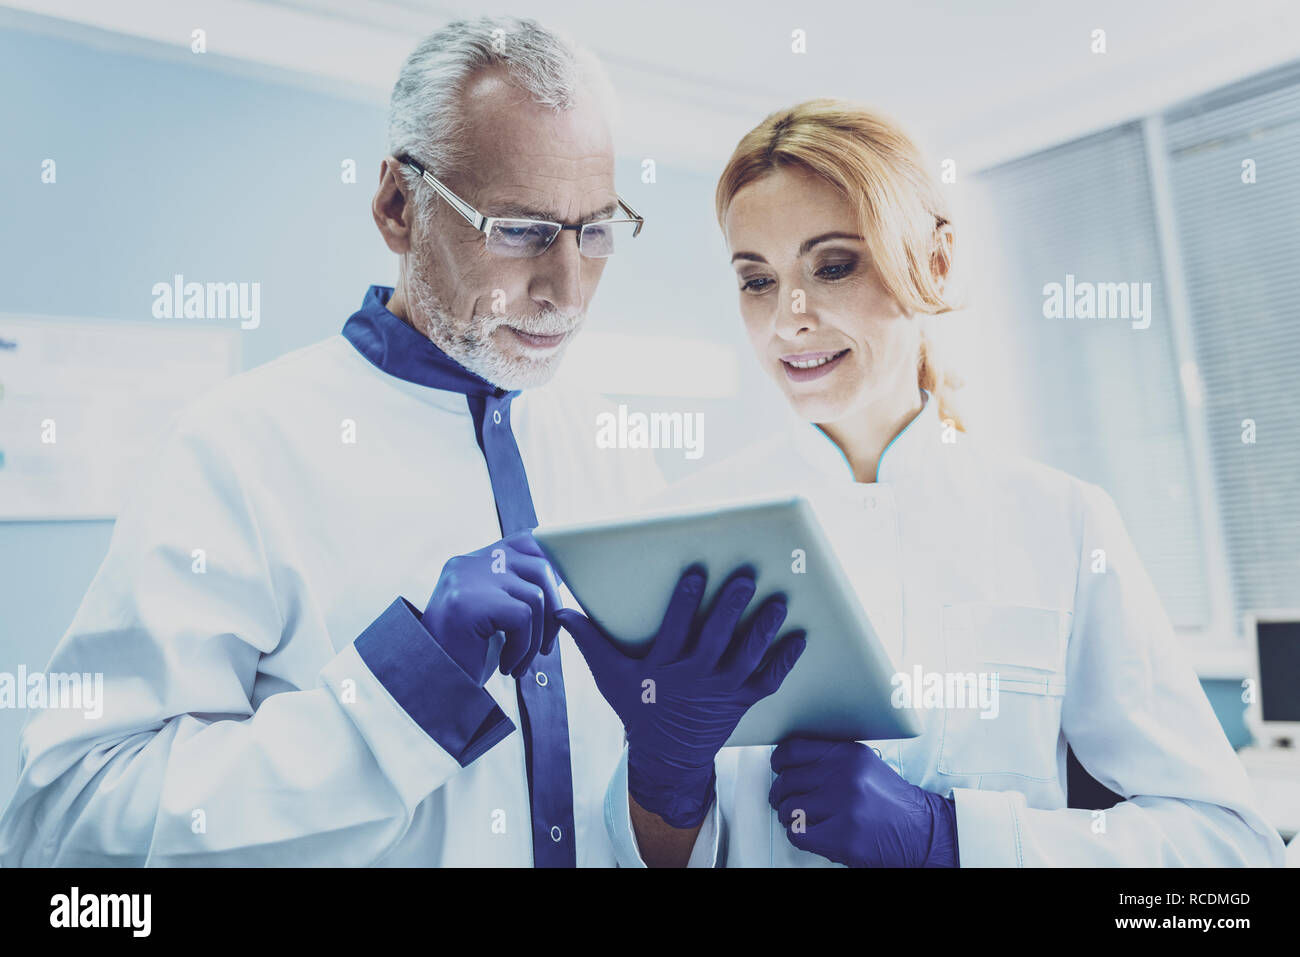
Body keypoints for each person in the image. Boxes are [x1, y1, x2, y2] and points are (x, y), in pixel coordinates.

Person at [0, 16, 799, 868]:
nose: (566, 289)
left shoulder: (616, 448)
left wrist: (670, 782)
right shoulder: (236, 450)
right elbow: (59, 828)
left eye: (595, 230)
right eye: (520, 229)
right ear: (396, 205)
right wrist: (402, 688)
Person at [573, 98, 1286, 867]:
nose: (789, 318)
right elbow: (630, 854)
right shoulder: (688, 523)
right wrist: (664, 784)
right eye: (757, 280)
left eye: (833, 265)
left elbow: (1230, 856)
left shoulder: (1061, 521)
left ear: (936, 262)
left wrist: (949, 837)